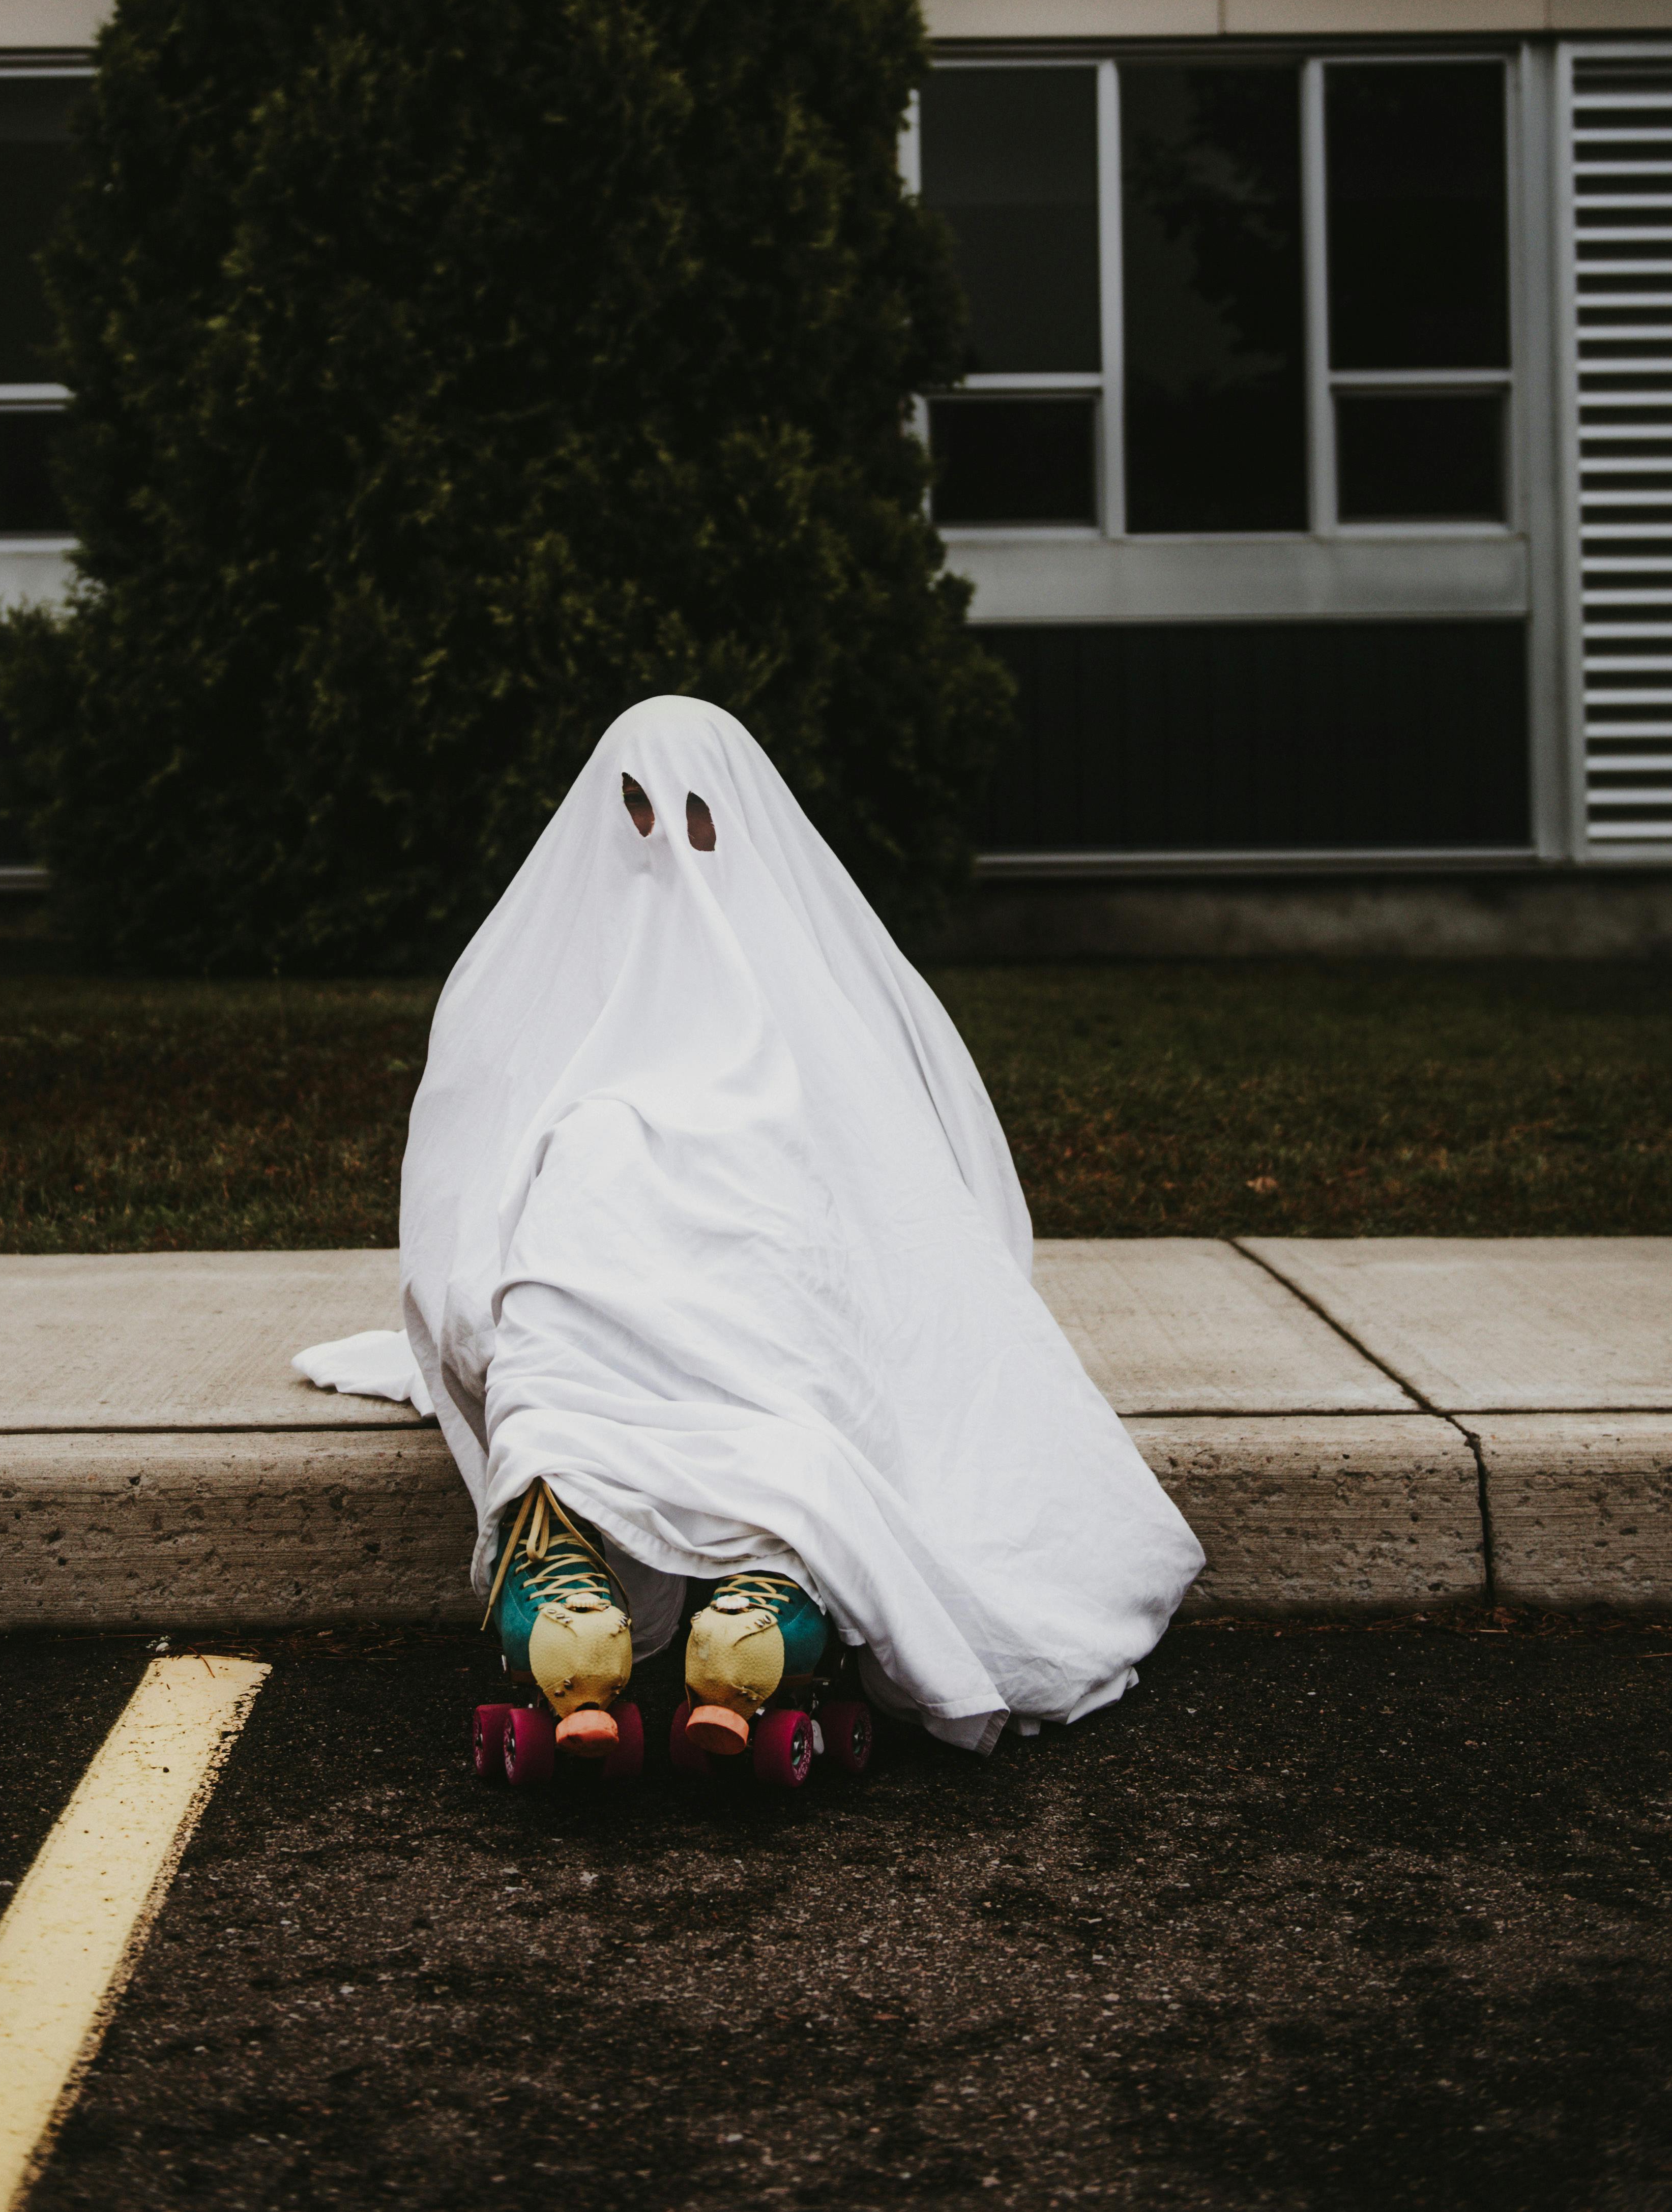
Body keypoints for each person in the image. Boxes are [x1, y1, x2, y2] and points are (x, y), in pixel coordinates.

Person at [297, 694, 1202, 1768]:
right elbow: (470, 1177)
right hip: (593, 1291)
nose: (666, 840)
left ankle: (764, 1578)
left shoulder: (819, 1009)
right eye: (634, 808)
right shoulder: (535, 981)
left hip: (768, 1287)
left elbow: (900, 1215)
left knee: (779, 1262)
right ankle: (567, 1562)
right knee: (569, 1243)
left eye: (693, 811)